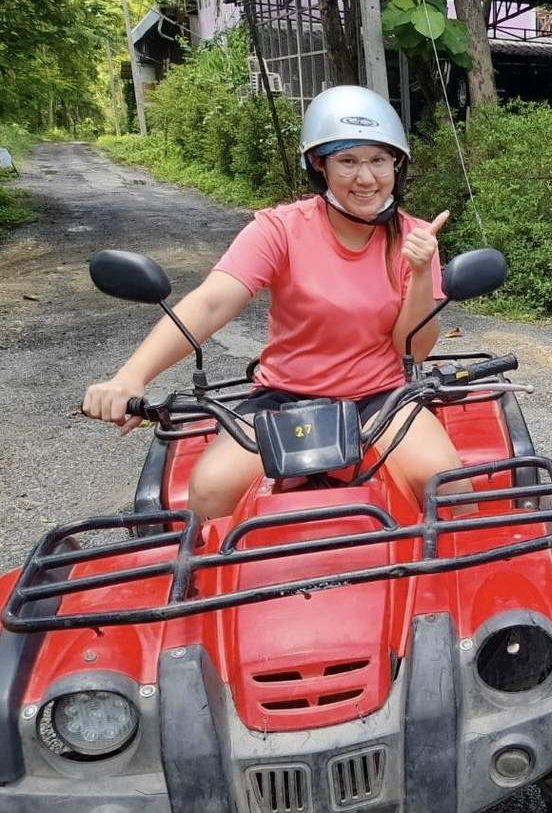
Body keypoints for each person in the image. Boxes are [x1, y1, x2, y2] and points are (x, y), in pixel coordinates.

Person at [82, 85, 466, 521]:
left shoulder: (416, 238)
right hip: (285, 398)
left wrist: (418, 272)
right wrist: (131, 376)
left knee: (447, 484)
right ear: (319, 165)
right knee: (209, 489)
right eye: (348, 161)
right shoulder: (279, 229)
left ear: (397, 164)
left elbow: (411, 351)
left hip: (380, 397)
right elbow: (210, 303)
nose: (366, 178)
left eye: (379, 160)